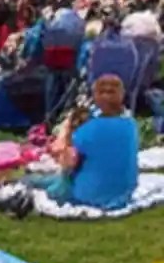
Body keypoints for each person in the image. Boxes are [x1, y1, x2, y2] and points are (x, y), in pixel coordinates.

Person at [29, 75, 140, 209]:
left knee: (38, 181)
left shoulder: (88, 130)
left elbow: (68, 163)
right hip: (123, 194)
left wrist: (67, 132)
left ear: (95, 96)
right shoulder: (131, 125)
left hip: (87, 195)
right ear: (122, 95)